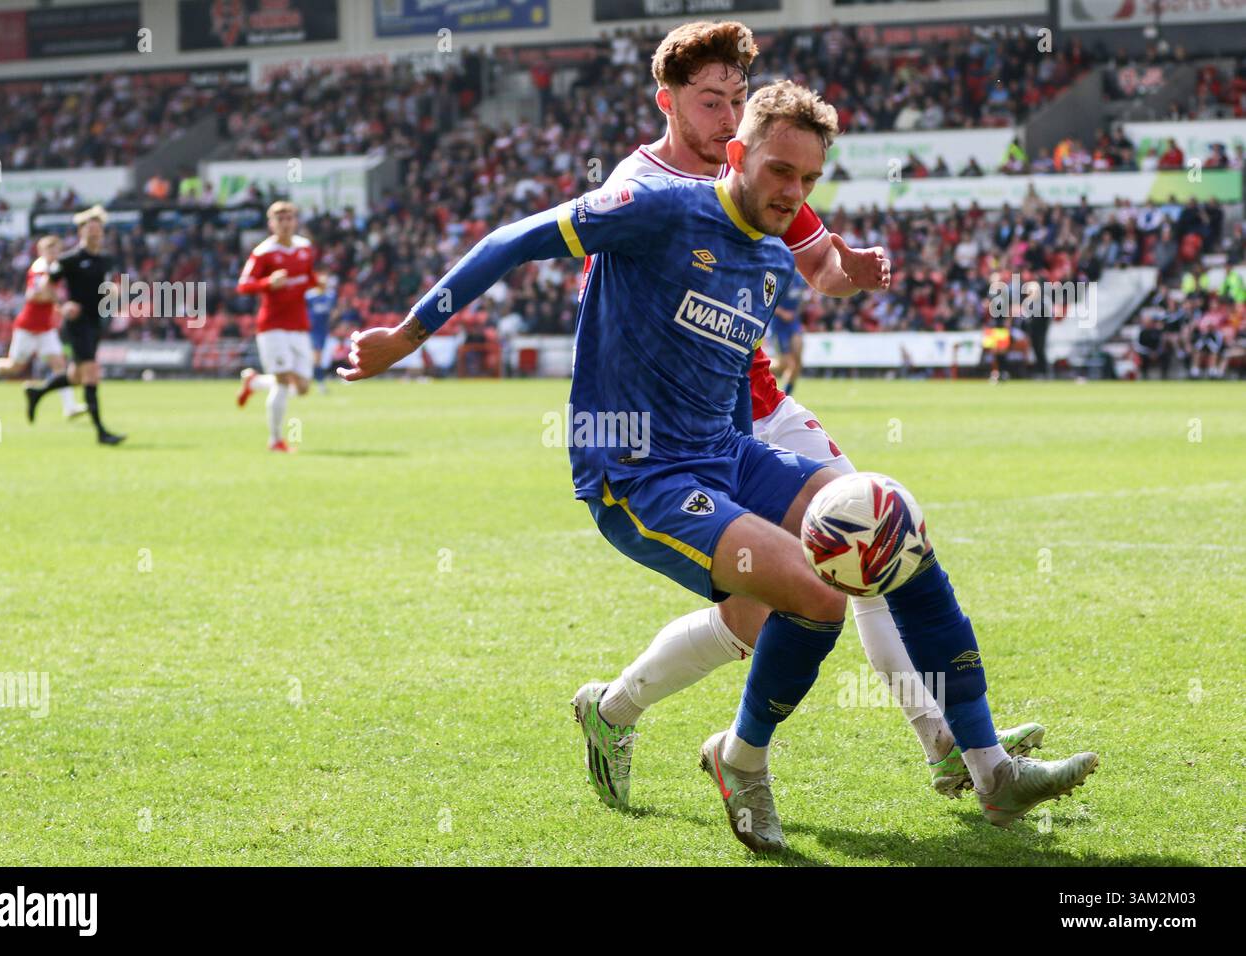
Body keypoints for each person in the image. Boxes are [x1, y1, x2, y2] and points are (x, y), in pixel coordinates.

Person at [341, 81, 1099, 854]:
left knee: (894, 530)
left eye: (807, 180)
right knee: (816, 599)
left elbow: (729, 372)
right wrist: (408, 336)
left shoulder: (771, 257)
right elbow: (513, 238)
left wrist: (760, 480)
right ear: (737, 152)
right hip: (639, 472)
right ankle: (740, 761)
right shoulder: (658, 207)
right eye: (779, 171)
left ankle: (989, 769)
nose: (792, 192)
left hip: (725, 455)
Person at [560, 21, 1044, 818]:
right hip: (692, 432)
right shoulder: (641, 189)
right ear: (669, 103)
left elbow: (817, 263)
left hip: (761, 409)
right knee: (800, 590)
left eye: (736, 98)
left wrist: (846, 273)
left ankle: (945, 742)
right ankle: (628, 713)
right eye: (711, 101)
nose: (726, 116)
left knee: (861, 552)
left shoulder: (762, 166)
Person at [23, 206, 126, 445]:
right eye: (90, 228)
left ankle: (37, 392)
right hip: (77, 324)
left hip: (96, 321)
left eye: (98, 228)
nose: (95, 232)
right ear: (81, 231)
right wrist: (62, 305)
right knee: (92, 373)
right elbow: (47, 287)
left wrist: (115, 291)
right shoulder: (69, 259)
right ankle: (101, 432)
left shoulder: (107, 259)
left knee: (77, 376)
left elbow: (113, 284)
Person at [234, 201, 325, 451]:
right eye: (279, 219)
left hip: (298, 325)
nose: (285, 223)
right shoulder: (263, 252)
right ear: (271, 224)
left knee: (303, 387)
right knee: (284, 381)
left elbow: (307, 279)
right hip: (272, 326)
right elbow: (243, 285)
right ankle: (275, 440)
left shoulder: (305, 249)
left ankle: (253, 383)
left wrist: (319, 283)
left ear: (295, 222)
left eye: (289, 218)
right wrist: (267, 283)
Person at [0, 235, 87, 420]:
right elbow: (32, 296)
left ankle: (69, 407)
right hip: (28, 327)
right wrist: (58, 301)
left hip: (46, 328)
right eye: (50, 250)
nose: (54, 254)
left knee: (59, 365)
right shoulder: (39, 269)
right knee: (14, 367)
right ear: (41, 252)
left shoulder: (55, 268)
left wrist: (57, 305)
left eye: (56, 250)